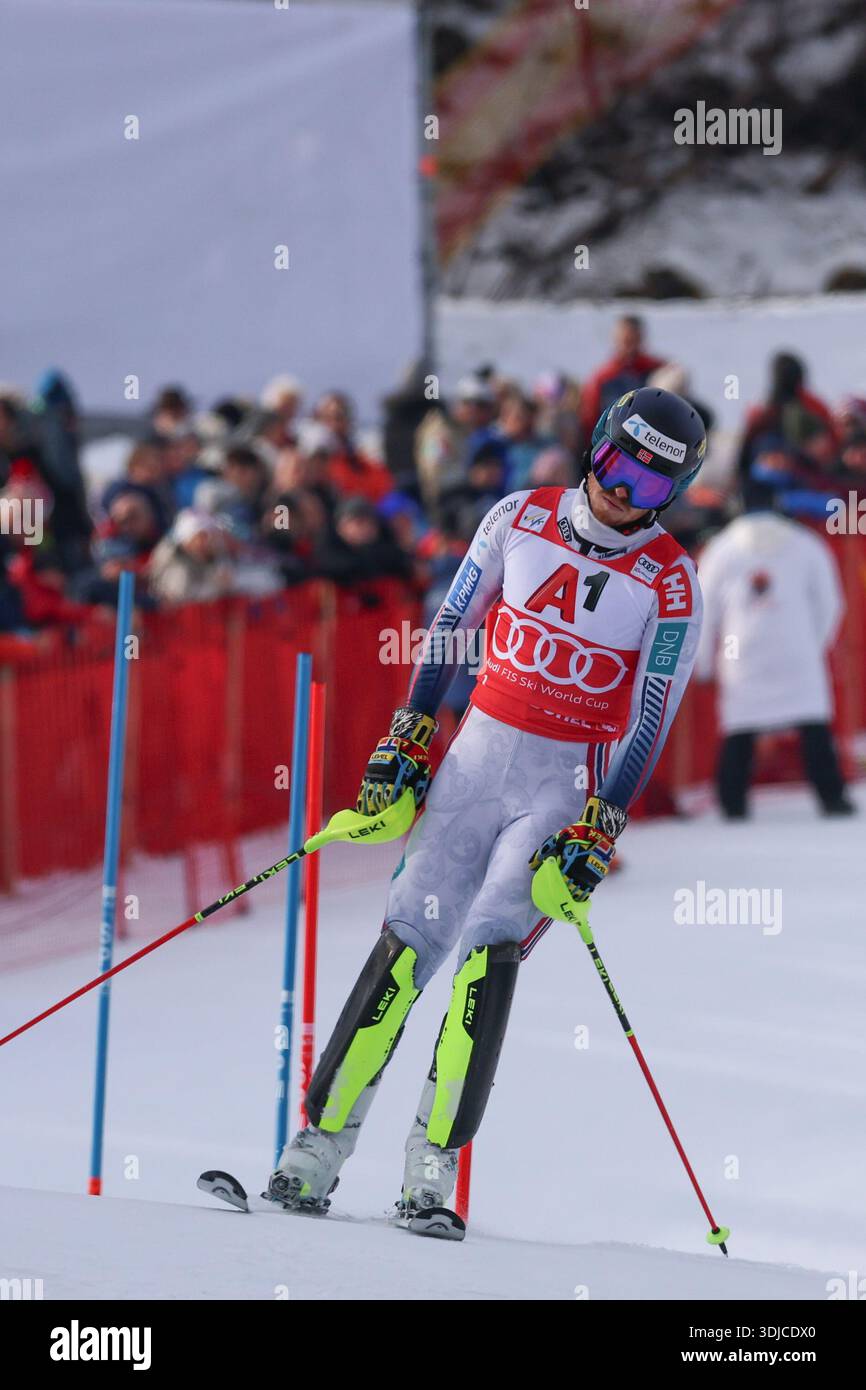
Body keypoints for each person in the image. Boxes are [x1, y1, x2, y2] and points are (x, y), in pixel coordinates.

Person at [266, 387, 707, 1219]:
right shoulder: (521, 516)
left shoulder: (671, 583)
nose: (624, 493)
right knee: (406, 945)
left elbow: (653, 710)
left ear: (671, 497)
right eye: (618, 468)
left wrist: (602, 820)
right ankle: (315, 1150)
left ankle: (430, 1167)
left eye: (650, 487)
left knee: (487, 959)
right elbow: (453, 623)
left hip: (562, 785)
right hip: (475, 759)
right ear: (595, 450)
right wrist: (407, 734)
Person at [696, 478, 852, 819]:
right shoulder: (806, 543)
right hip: (797, 650)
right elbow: (831, 603)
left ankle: (733, 803)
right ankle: (832, 797)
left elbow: (703, 611)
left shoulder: (721, 549)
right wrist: (815, 643)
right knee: (813, 726)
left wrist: (705, 663)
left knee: (739, 729)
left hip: (741, 652)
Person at [580, 316, 666, 442]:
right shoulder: (603, 377)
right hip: (614, 441)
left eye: (634, 340)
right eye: (625, 340)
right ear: (616, 340)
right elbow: (589, 418)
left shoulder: (657, 369)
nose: (630, 346)